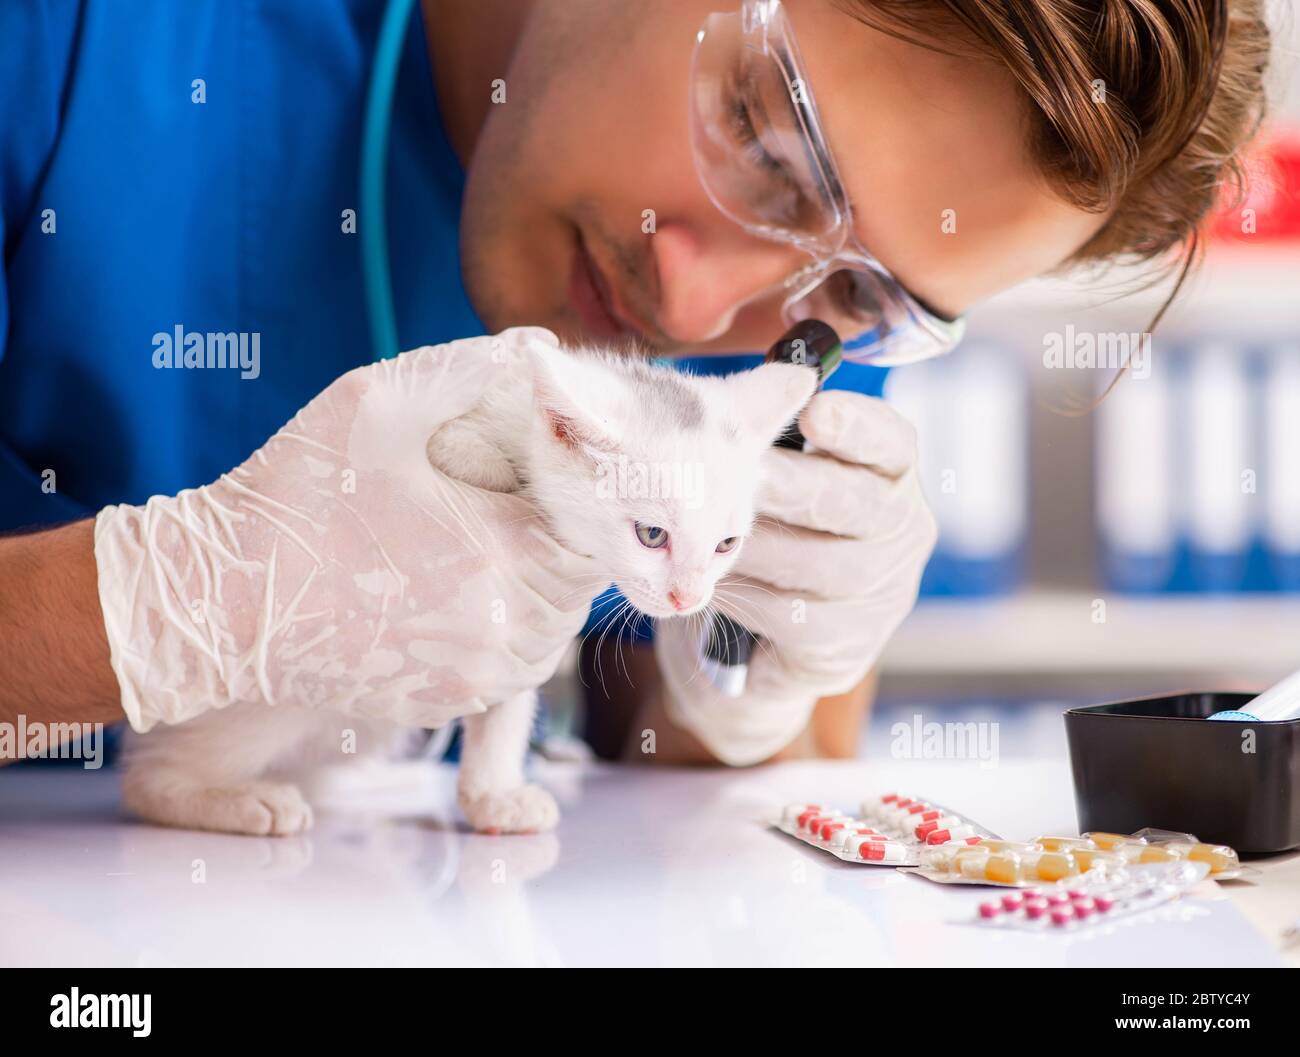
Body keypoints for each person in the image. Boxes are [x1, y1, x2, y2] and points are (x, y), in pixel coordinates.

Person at [0, 1, 1271, 764]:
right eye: (764, 138)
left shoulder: (793, 328)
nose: (694, 307)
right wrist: (170, 607)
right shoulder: (80, 40)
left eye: (856, 295)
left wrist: (740, 687)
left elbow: (688, 750)